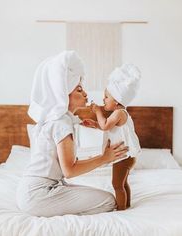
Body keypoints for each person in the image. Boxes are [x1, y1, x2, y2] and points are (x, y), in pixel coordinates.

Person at [16, 51, 129, 217]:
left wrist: (103, 157)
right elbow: (70, 170)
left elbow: (67, 166)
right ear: (64, 94)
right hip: (38, 194)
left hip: (32, 191)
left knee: (94, 195)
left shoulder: (56, 120)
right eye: (79, 89)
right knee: (109, 200)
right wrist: (105, 158)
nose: (85, 93)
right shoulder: (61, 124)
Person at [83, 64, 141, 210]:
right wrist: (95, 125)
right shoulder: (120, 114)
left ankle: (121, 209)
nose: (103, 99)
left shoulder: (119, 113)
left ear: (116, 100)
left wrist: (97, 111)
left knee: (116, 184)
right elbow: (108, 127)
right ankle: (126, 205)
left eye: (106, 97)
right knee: (122, 183)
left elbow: (106, 126)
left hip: (123, 156)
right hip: (125, 156)